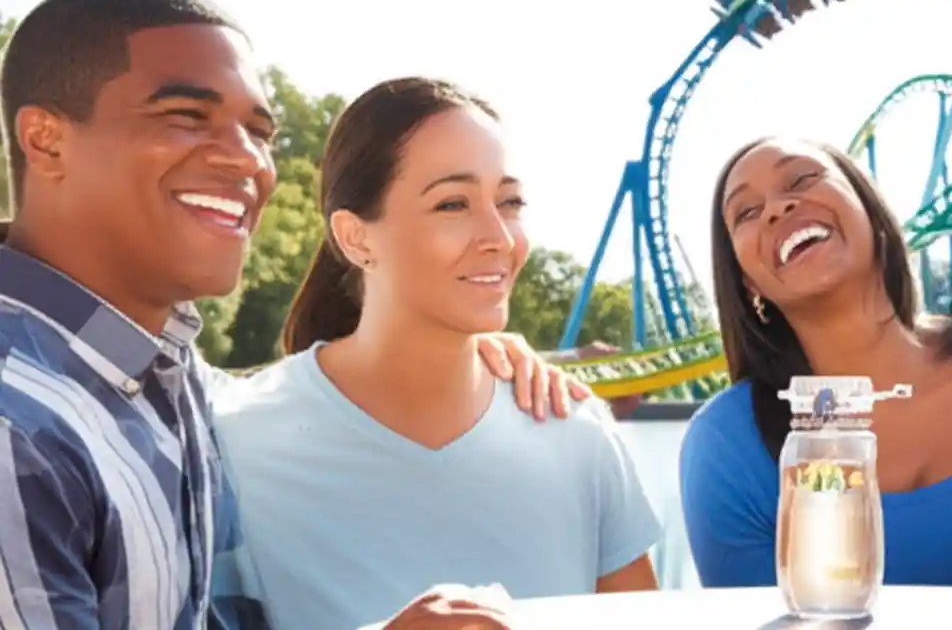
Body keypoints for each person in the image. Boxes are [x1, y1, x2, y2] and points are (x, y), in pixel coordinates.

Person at [0, 0, 586, 630]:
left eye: (259, 131)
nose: (247, 159)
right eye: (185, 116)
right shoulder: (18, 431)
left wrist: (465, 351)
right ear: (47, 140)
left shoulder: (163, 373)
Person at [211, 76, 662, 630]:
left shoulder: (578, 431)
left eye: (510, 201)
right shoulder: (234, 438)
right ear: (355, 238)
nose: (498, 235)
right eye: (453, 203)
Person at [679, 137, 952, 589]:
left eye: (803, 178)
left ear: (869, 208)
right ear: (747, 282)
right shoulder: (726, 444)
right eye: (746, 213)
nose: (776, 208)